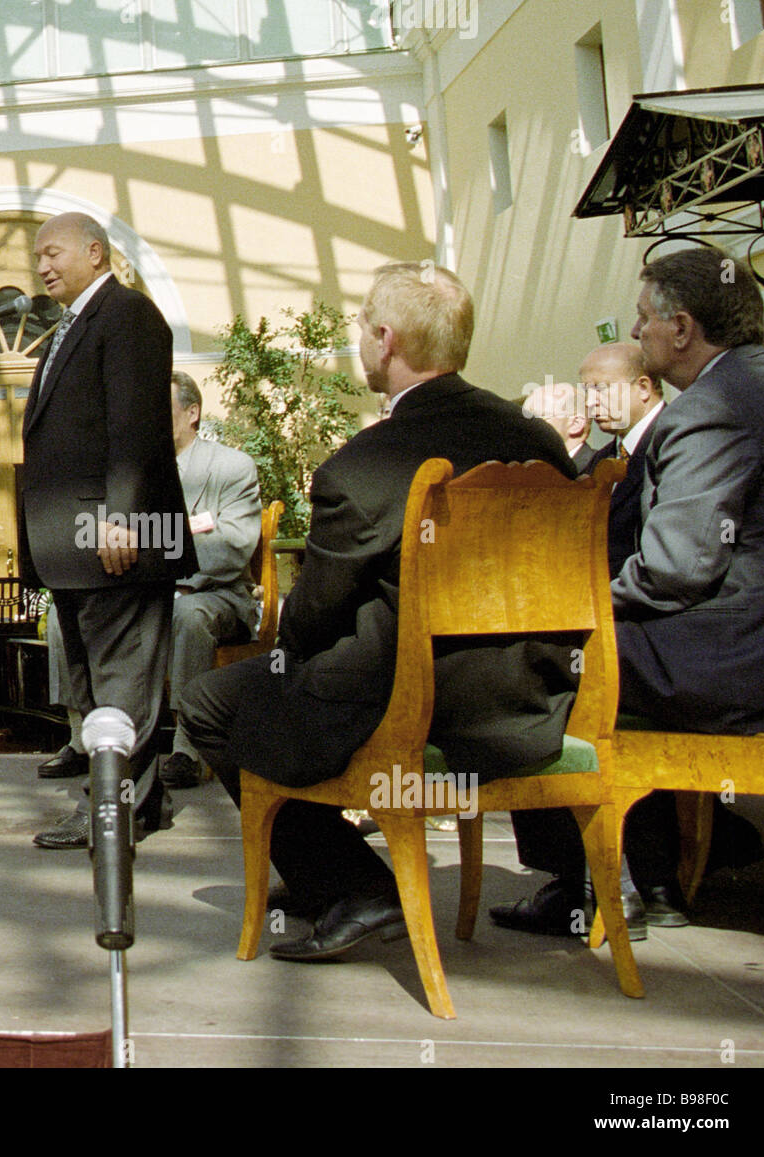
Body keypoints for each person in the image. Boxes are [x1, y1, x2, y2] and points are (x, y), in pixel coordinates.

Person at [178, 261, 578, 961]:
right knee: (294, 683)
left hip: (422, 711)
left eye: (362, 325)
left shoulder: (364, 467)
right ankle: (324, 877)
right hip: (535, 697)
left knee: (214, 699)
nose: (360, 339)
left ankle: (351, 885)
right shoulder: (539, 442)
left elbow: (306, 623)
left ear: (386, 339)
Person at [495, 245, 764, 936]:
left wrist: (577, 602)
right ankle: (645, 873)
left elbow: (675, 568)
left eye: (643, 319)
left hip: (740, 651)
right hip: (752, 632)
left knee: (525, 655)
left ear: (682, 328)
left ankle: (587, 880)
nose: (634, 334)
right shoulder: (758, 381)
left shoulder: (711, 407)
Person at [20, 210, 196, 849]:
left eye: (52, 252)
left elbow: (137, 429)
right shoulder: (72, 326)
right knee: (96, 681)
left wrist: (122, 517)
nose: (41, 266)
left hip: (117, 535)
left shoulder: (129, 316)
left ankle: (111, 811)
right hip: (74, 545)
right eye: (36, 256)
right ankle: (139, 803)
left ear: (95, 252)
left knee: (122, 682)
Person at [39, 370, 262, 787]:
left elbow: (231, 547)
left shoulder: (231, 468)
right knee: (60, 612)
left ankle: (187, 747)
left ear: (192, 412)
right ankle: (82, 736)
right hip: (134, 592)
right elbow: (92, 536)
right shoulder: (122, 473)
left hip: (211, 594)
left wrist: (149, 552)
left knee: (188, 616)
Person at [578, 342, 665, 574]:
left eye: (600, 389)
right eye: (586, 391)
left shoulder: (675, 443)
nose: (589, 402)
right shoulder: (600, 461)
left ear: (643, 388)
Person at [524, 379, 596, 472]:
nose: (526, 427)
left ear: (576, 424)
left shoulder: (600, 470)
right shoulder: (524, 472)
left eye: (538, 418)